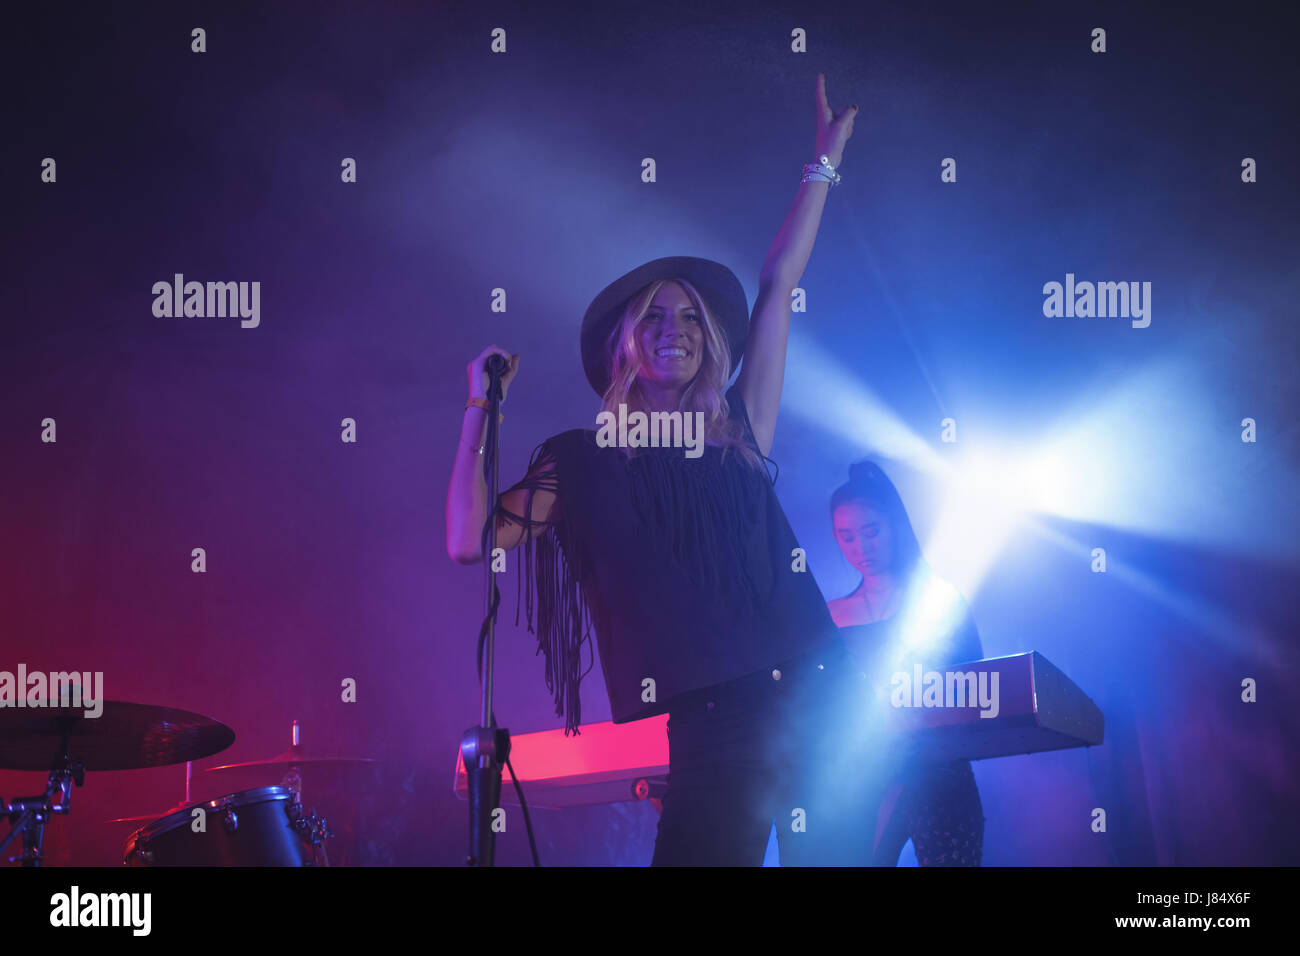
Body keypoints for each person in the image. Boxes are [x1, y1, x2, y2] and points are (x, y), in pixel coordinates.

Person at [446, 75, 859, 865]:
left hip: (823, 698)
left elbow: (777, 289)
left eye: (691, 318)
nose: (676, 330)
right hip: (716, 721)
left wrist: (822, 164)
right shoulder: (582, 460)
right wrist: (479, 408)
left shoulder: (739, 429)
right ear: (626, 345)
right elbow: (469, 539)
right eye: (655, 318)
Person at [826, 460, 986, 866]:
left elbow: (977, 688)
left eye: (871, 532)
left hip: (940, 770)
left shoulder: (939, 601)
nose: (860, 548)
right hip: (862, 777)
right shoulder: (831, 615)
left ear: (896, 525)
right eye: (846, 537)